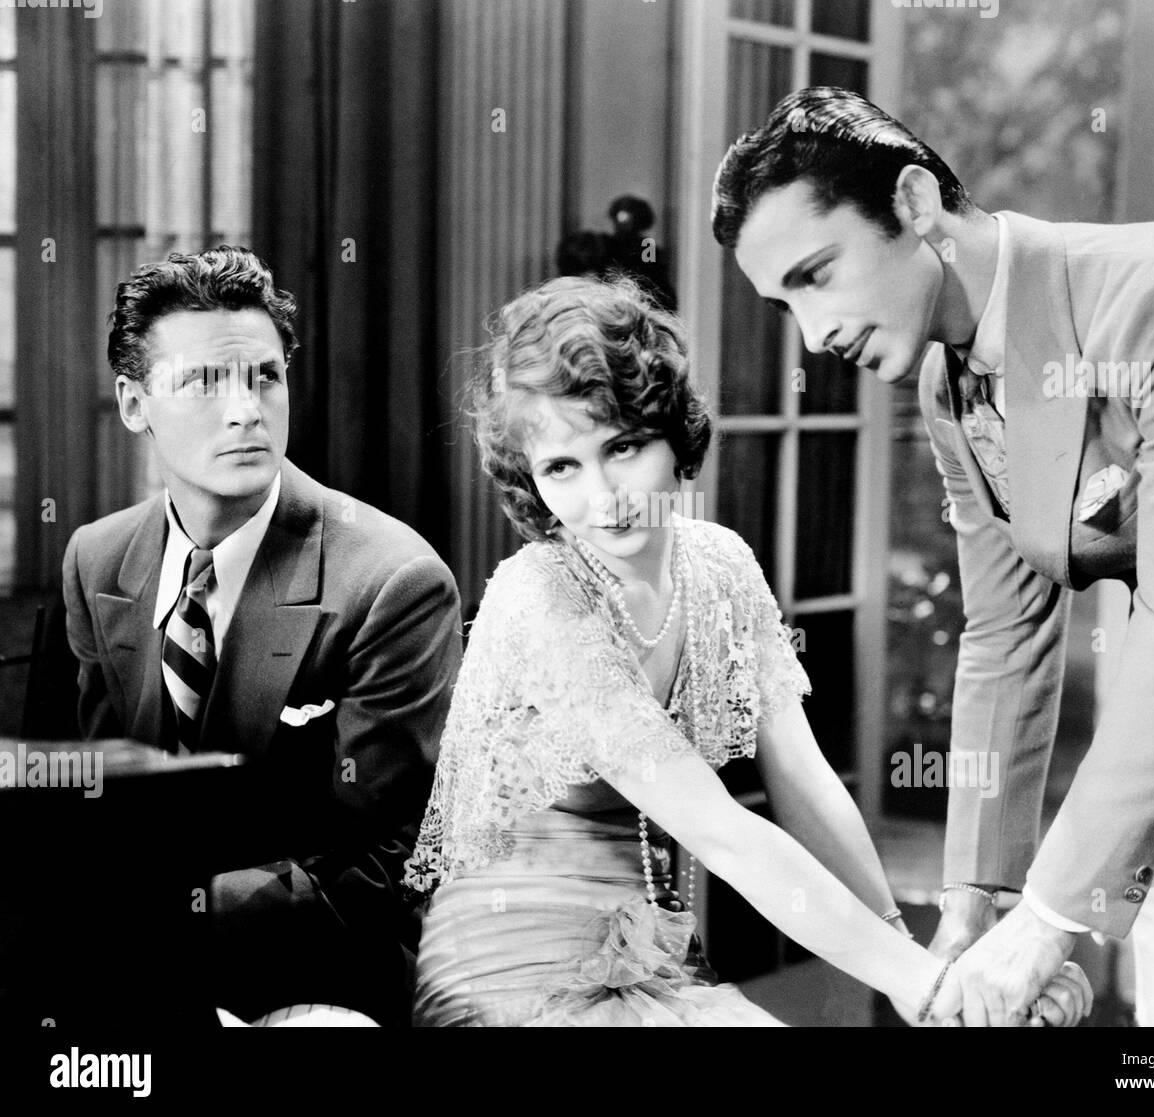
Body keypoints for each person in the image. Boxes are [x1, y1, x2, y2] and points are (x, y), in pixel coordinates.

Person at [712, 86, 1154, 1026]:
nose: (814, 337)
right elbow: (1005, 637)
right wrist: (973, 907)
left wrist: (1050, 918)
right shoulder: (949, 382)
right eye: (785, 305)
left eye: (816, 274)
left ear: (913, 203)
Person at [404, 275, 1090, 1027]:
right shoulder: (540, 597)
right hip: (508, 961)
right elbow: (718, 830)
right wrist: (931, 990)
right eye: (561, 468)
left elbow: (805, 782)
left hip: (643, 948)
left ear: (672, 434)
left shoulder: (718, 563)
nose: (603, 496)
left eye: (623, 446)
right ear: (531, 481)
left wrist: (913, 961)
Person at [63, 246, 463, 1026]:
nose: (245, 407)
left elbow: (391, 864)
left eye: (265, 376)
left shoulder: (392, 580)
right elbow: (93, 795)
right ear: (133, 403)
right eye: (204, 381)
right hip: (129, 968)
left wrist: (168, 917)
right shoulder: (96, 556)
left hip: (318, 972)